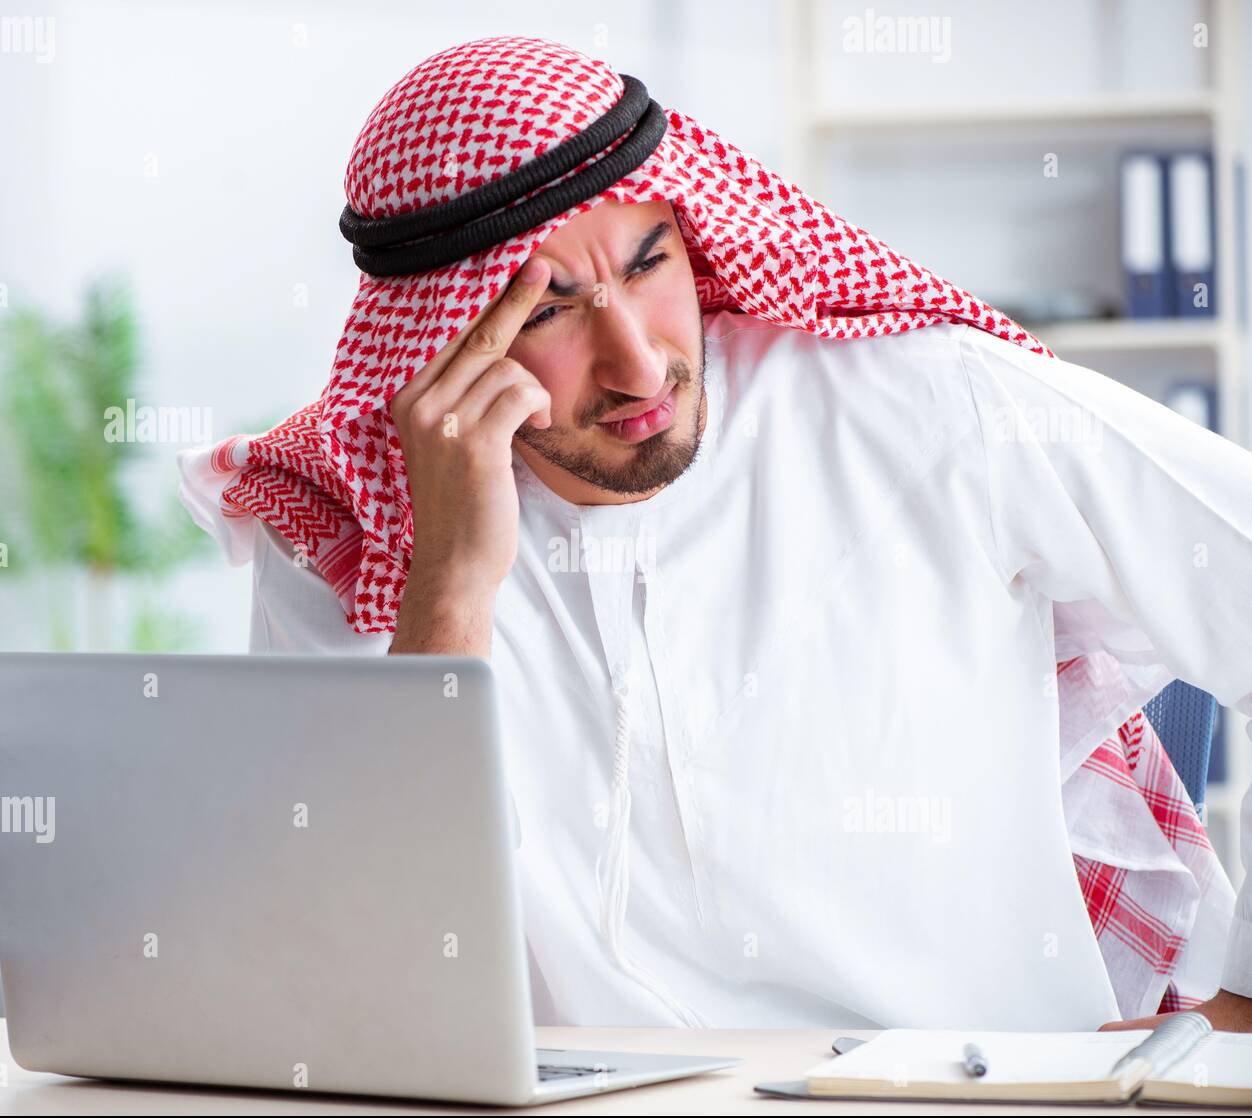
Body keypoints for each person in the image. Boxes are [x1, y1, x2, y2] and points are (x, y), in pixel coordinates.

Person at [179, 35, 1252, 1032]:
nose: (640, 365)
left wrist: (1240, 1004)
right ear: (446, 339)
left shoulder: (929, 405)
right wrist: (450, 591)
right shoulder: (348, 526)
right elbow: (362, 977)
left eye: (649, 264)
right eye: (547, 310)